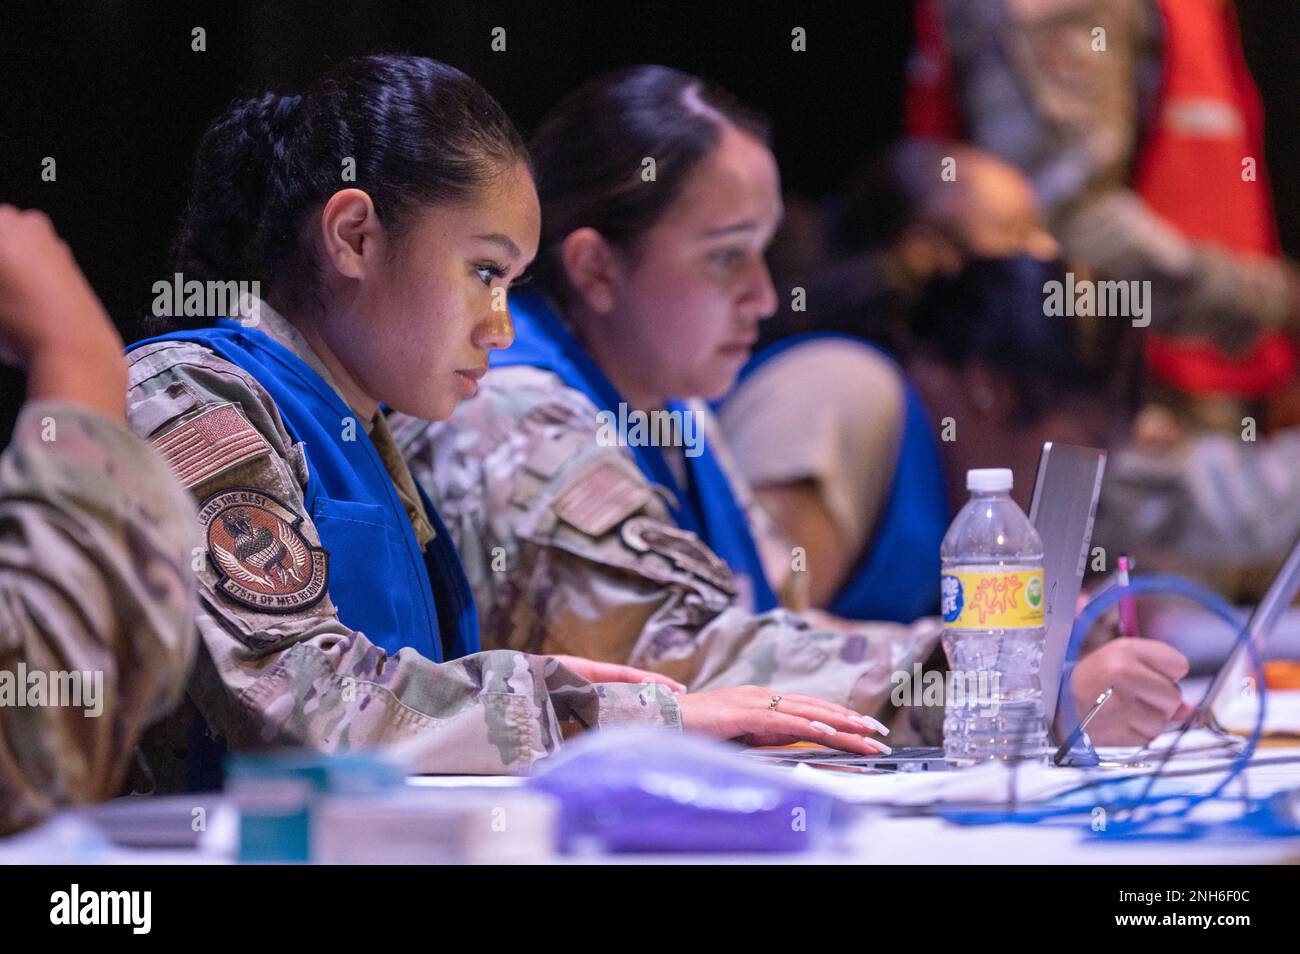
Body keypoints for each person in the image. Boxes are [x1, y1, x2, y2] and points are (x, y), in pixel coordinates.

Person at [126, 55, 888, 790]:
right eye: (485, 272)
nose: (500, 326)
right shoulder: (186, 398)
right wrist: (620, 713)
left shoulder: (359, 426)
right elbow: (301, 707)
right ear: (354, 236)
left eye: (512, 282)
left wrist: (541, 687)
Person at [393, 66, 941, 722]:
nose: (764, 296)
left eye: (764, 251)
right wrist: (989, 678)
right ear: (597, 268)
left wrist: (1005, 642)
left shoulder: (677, 408)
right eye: (725, 256)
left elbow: (774, 618)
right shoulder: (504, 416)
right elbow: (682, 666)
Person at [0, 206, 198, 834]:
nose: (499, 330)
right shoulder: (199, 385)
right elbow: (44, 752)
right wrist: (76, 351)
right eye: (484, 269)